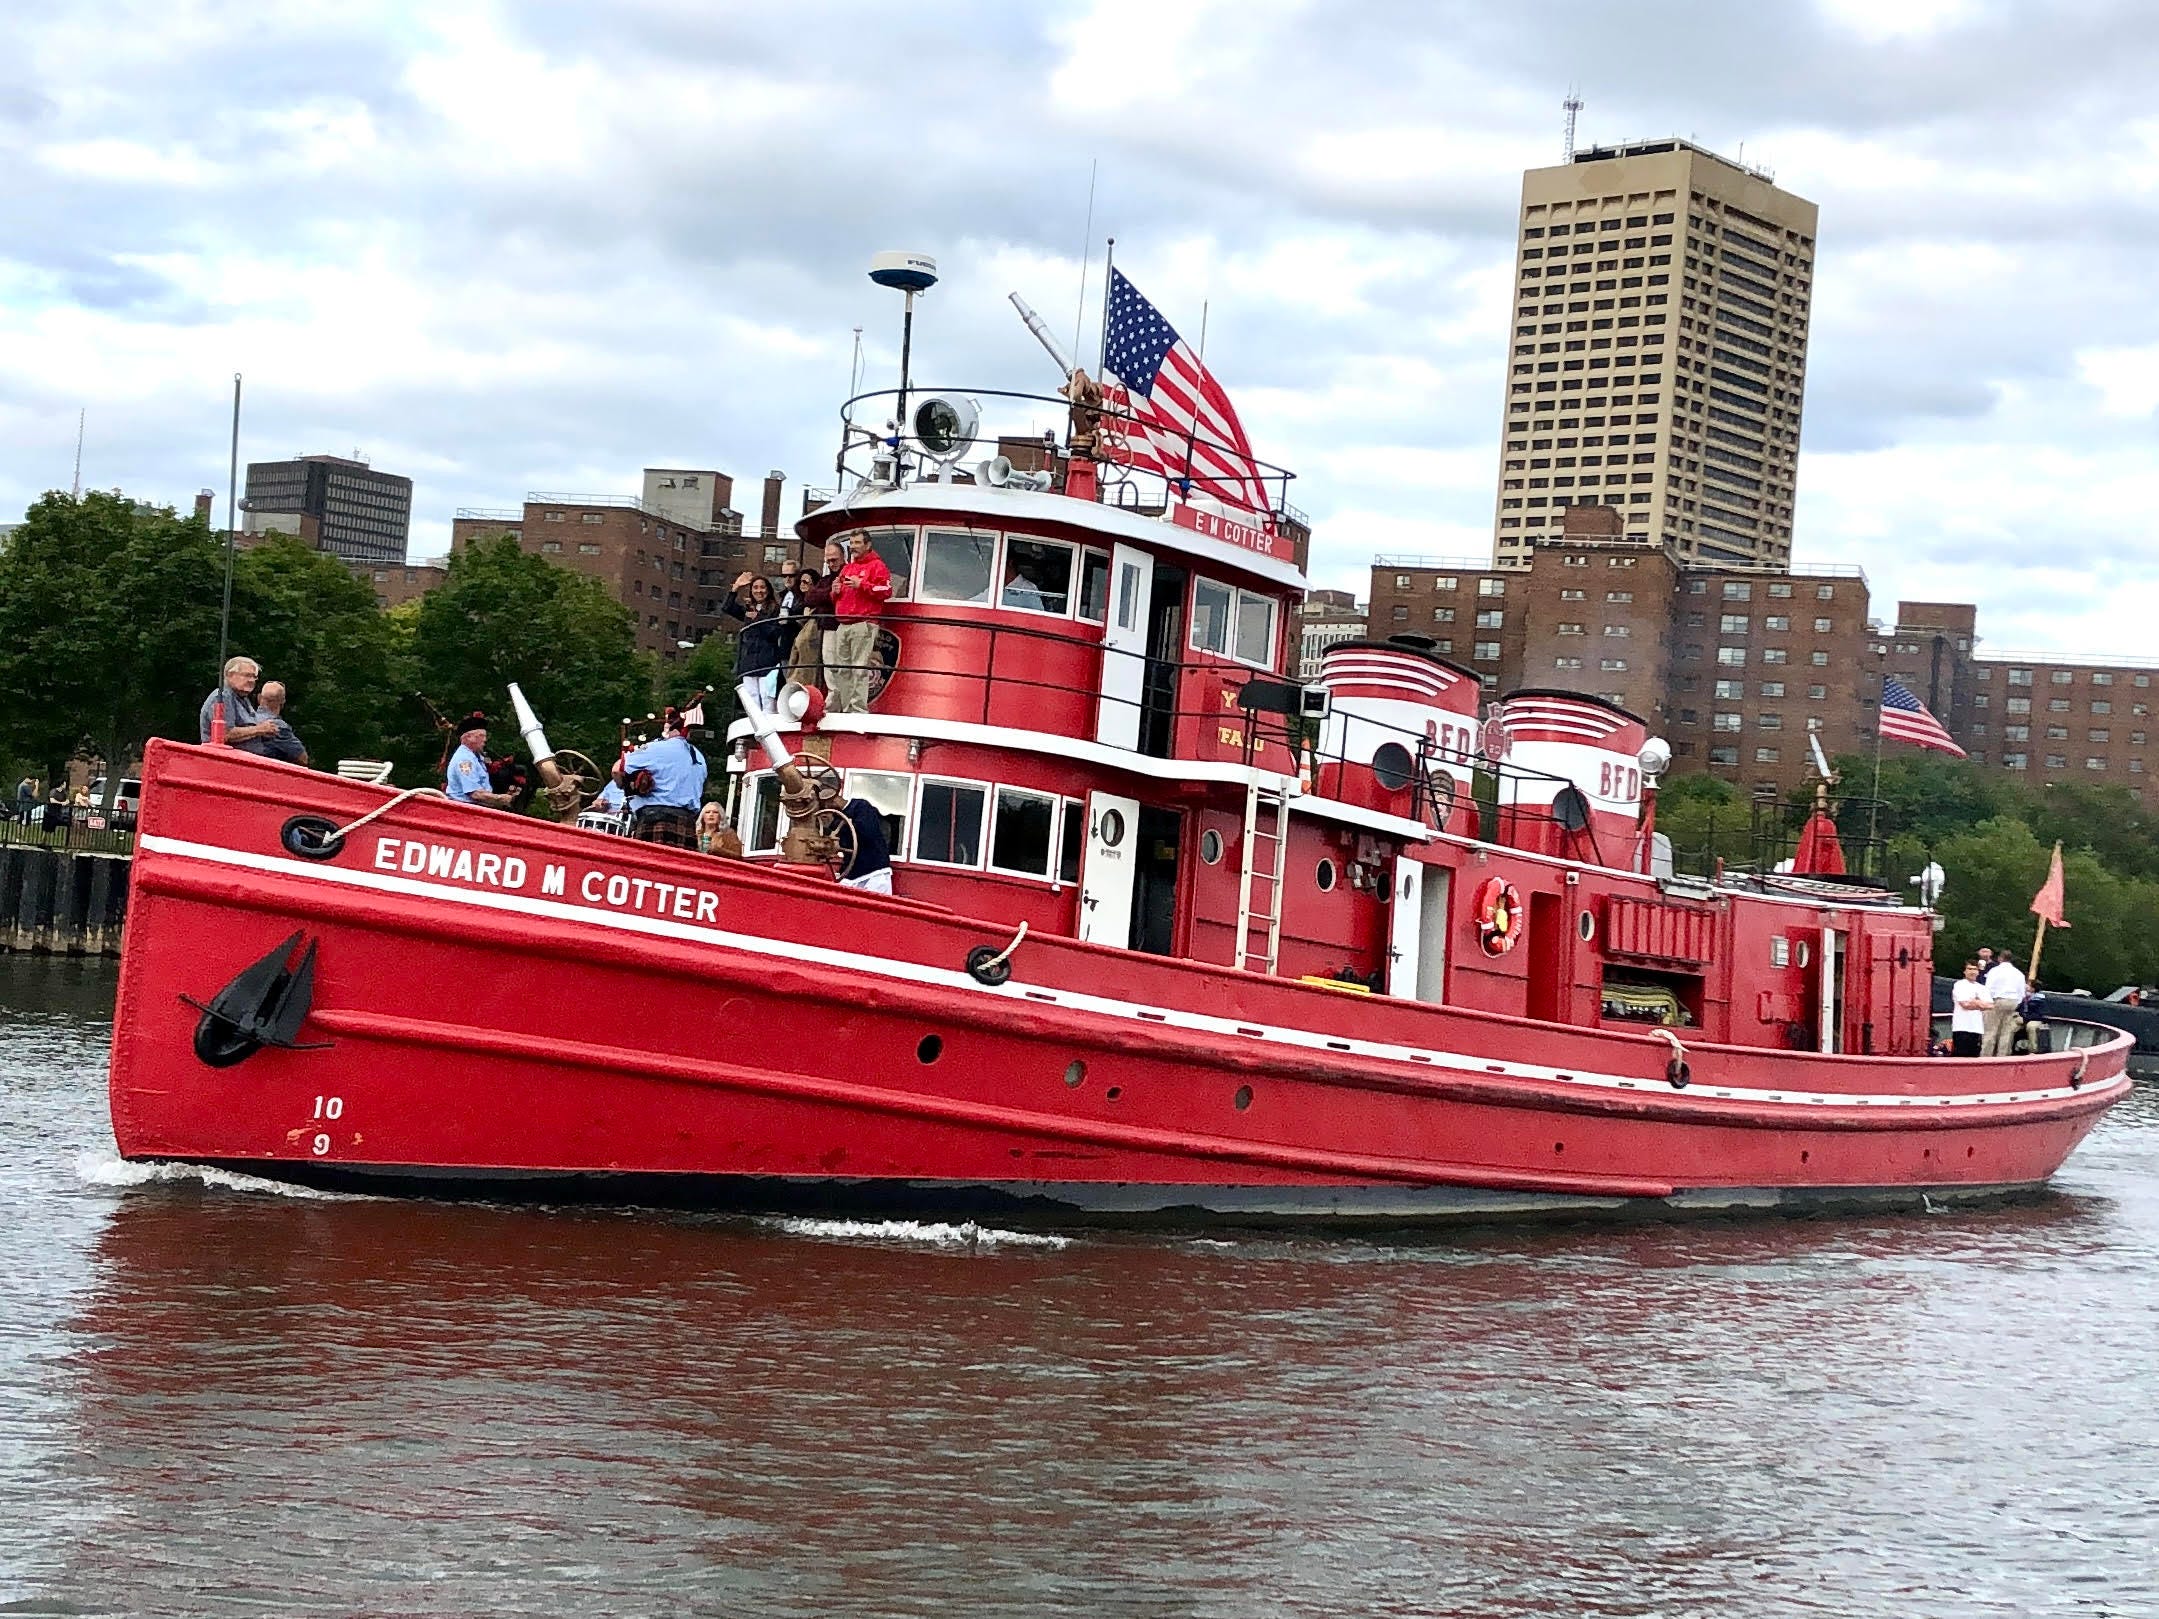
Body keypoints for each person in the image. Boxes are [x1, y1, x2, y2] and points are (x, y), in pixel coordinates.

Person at [615, 706, 706, 846]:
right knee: (678, 867)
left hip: (655, 818)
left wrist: (624, 785)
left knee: (649, 866)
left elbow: (617, 770)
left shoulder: (656, 748)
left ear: (668, 727)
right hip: (688, 822)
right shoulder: (699, 757)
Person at [828, 530, 893, 714]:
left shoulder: (877, 566)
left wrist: (862, 585)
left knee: (858, 669)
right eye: (851, 542)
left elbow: (886, 590)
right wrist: (835, 591)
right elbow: (836, 597)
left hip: (863, 623)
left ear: (868, 545)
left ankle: (857, 709)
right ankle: (847, 708)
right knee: (843, 670)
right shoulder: (847, 568)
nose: (853, 546)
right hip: (844, 623)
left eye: (857, 542)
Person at [722, 572, 790, 712]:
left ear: (768, 590)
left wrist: (757, 618)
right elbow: (727, 608)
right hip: (749, 661)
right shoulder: (748, 610)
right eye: (755, 588)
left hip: (768, 662)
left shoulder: (775, 610)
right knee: (752, 701)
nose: (759, 591)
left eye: (762, 587)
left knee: (768, 700)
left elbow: (774, 633)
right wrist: (736, 587)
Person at [198, 656, 280, 749]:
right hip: (226, 759)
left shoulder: (242, 699)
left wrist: (268, 729)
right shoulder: (223, 697)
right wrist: (259, 729)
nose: (251, 680)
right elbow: (225, 734)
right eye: (247, 675)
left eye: (254, 677)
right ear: (230, 675)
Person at [444, 713, 516, 809]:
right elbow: (475, 794)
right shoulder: (464, 760)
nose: (485, 740)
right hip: (467, 810)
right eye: (481, 736)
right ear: (468, 737)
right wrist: (500, 799)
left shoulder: (476, 757)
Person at [836, 796, 893, 894]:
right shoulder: (836, 817)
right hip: (850, 872)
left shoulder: (861, 807)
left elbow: (867, 832)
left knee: (875, 907)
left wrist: (840, 826)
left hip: (874, 872)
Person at [246, 681, 310, 766]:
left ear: (259, 698)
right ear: (283, 702)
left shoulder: (246, 719)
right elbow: (302, 758)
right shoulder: (278, 726)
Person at [1981, 949, 2029, 1057]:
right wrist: (2016, 1002)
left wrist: (1988, 1002)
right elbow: (2022, 993)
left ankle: (1986, 1056)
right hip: (2012, 1002)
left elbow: (1988, 987)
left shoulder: (1995, 971)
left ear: (2000, 958)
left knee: (1991, 1030)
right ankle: (2002, 1056)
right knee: (2006, 1031)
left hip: (1997, 1000)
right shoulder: (2019, 974)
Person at [1949, 960, 1991, 1058]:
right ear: (1964, 971)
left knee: (1974, 1057)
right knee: (1960, 1057)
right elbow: (1965, 1004)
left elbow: (1990, 1005)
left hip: (1976, 1028)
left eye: (1975, 969)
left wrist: (1974, 1001)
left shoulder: (1982, 988)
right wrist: (1979, 1003)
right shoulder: (1959, 985)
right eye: (1970, 969)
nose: (1972, 972)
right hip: (1961, 1027)